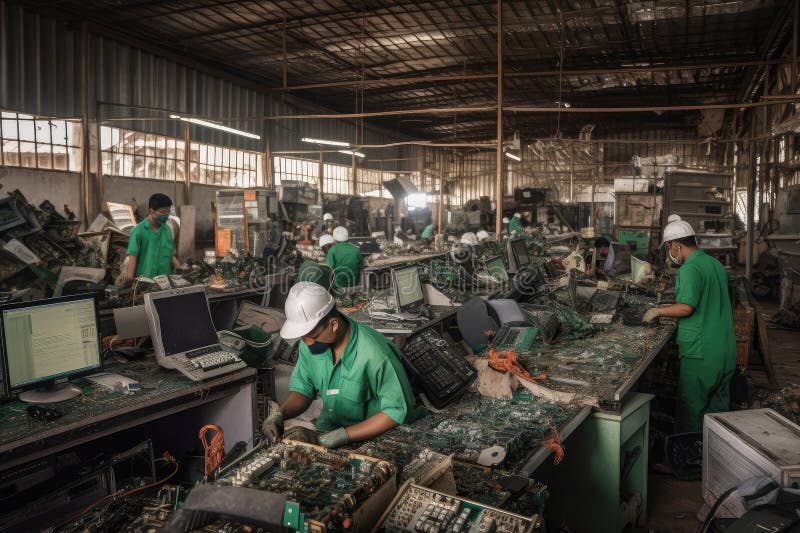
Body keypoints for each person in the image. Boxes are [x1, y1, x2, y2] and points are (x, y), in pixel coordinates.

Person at [262, 282, 423, 448]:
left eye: (314, 336)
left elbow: (395, 412)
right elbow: (303, 390)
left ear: (333, 324)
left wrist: (341, 436)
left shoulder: (375, 354)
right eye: (303, 337)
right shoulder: (309, 345)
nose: (308, 344)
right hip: (328, 430)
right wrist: (280, 414)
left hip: (372, 438)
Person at [642, 215, 735, 433]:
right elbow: (707, 296)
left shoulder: (689, 269)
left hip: (700, 354)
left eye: (669, 249)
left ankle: (687, 463)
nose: (670, 254)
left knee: (690, 410)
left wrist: (657, 311)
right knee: (717, 413)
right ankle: (712, 458)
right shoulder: (714, 264)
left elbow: (686, 307)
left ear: (676, 245)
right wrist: (673, 290)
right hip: (725, 350)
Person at [126, 193, 180, 279]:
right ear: (151, 211)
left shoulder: (167, 230)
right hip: (145, 282)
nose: (166, 215)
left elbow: (170, 254)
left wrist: (180, 269)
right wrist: (130, 283)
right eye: (163, 212)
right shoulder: (138, 231)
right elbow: (132, 259)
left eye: (168, 212)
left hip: (165, 282)